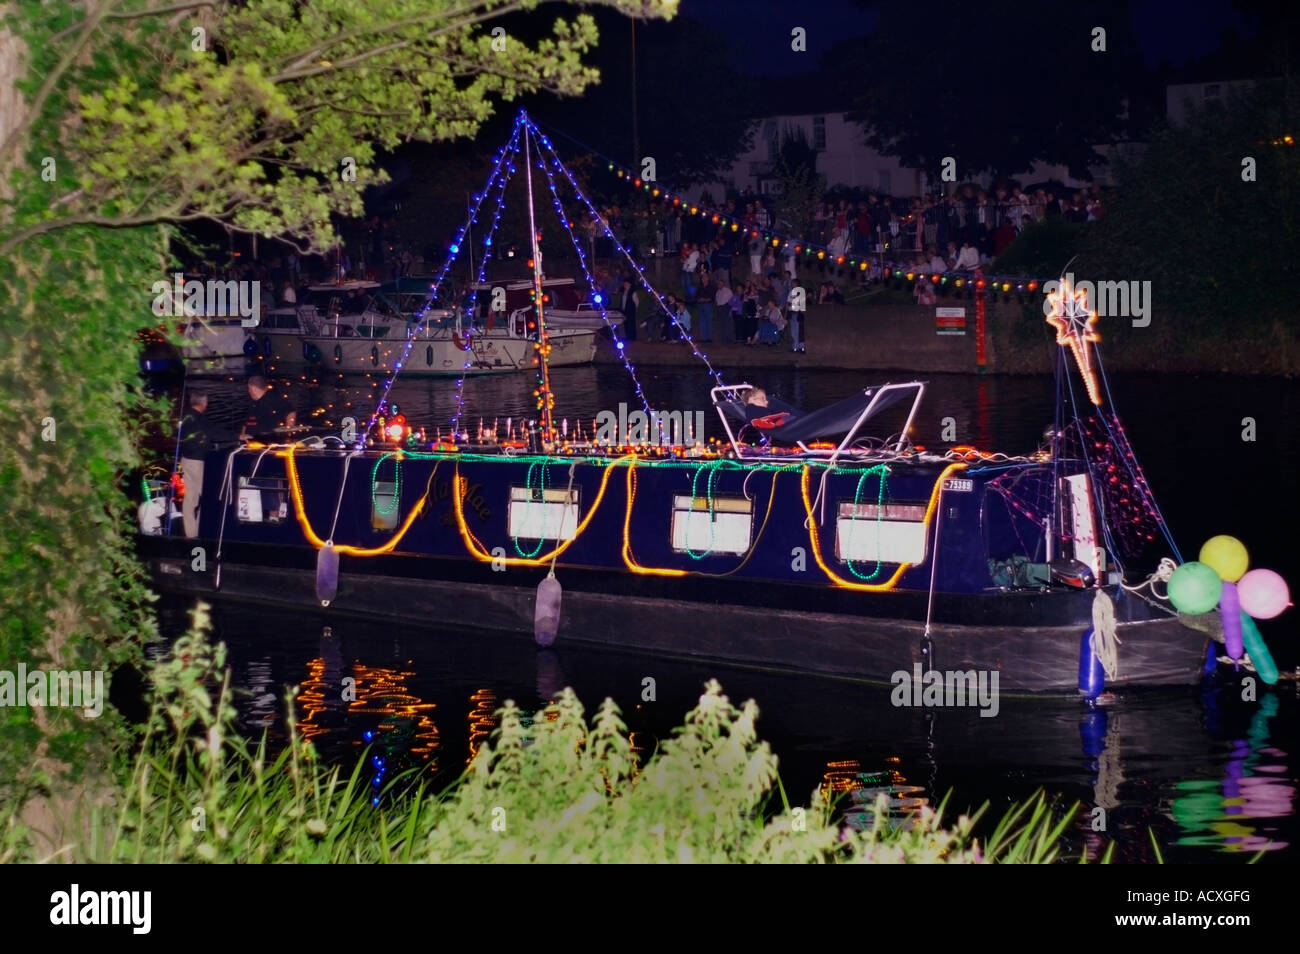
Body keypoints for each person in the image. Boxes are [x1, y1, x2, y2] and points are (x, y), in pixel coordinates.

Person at [178, 390, 238, 538]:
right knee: (207, 497)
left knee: (190, 498)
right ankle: (201, 531)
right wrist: (238, 436)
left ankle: (190, 534)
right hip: (198, 462)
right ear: (204, 403)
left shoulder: (184, 417)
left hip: (185, 460)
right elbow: (216, 433)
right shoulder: (201, 421)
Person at [242, 375, 297, 440]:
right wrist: (243, 436)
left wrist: (288, 433)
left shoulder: (274, 399)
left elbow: (291, 412)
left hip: (269, 441)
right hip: (252, 442)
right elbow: (246, 423)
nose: (248, 391)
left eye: (249, 388)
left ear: (253, 388)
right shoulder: (253, 404)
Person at [787, 278, 806, 353]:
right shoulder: (790, 292)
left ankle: (801, 347)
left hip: (798, 313)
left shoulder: (801, 292)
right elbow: (788, 303)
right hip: (792, 312)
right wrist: (786, 314)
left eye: (793, 283)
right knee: (793, 331)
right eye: (792, 284)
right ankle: (795, 346)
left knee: (799, 331)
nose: (792, 285)